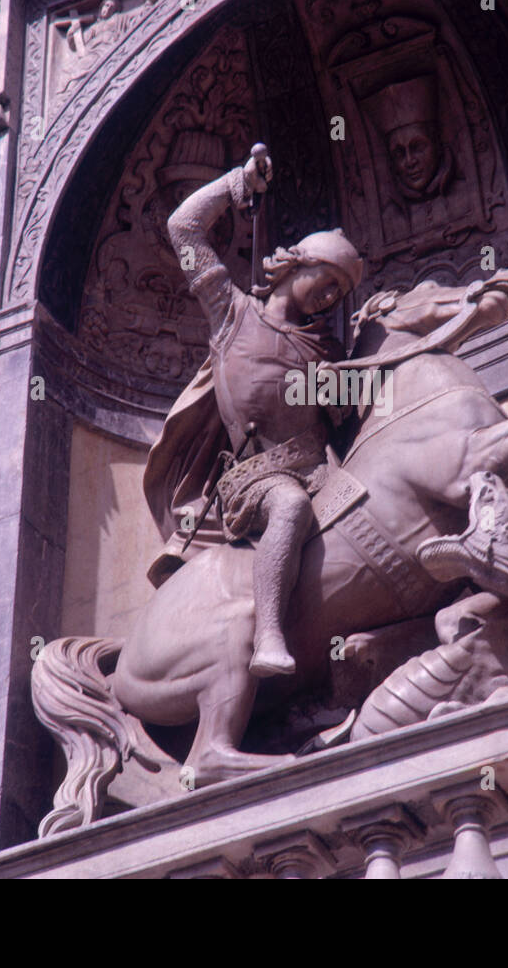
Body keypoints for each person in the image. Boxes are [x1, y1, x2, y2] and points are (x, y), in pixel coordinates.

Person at [143, 147, 363, 677]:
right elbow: (184, 228)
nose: (331, 297)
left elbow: (350, 416)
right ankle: (267, 635)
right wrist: (237, 183)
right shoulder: (231, 312)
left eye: (340, 292)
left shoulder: (326, 351)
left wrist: (344, 390)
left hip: (323, 471)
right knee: (288, 506)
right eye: (328, 279)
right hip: (256, 479)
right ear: (297, 263)